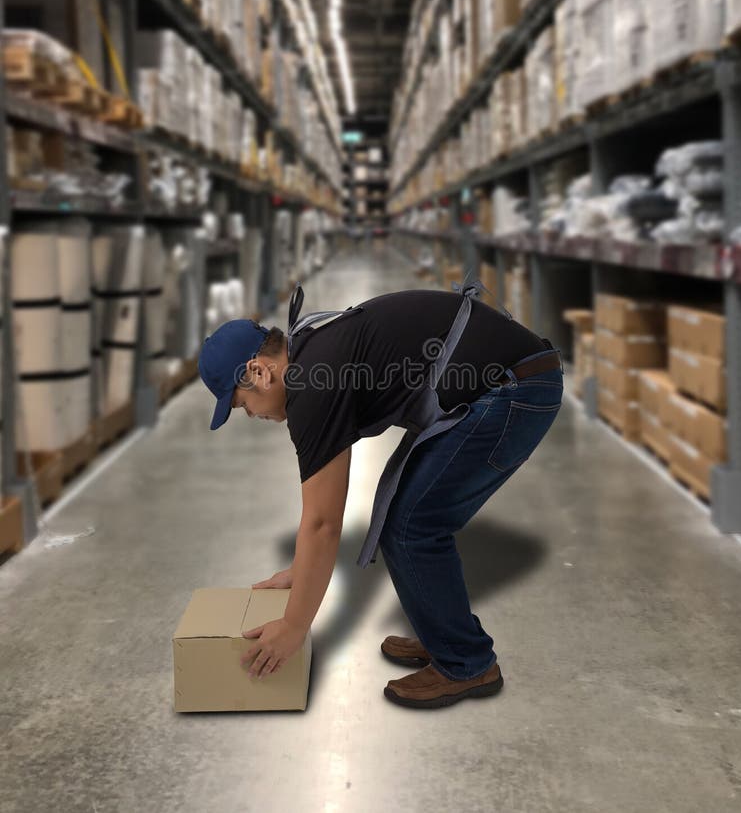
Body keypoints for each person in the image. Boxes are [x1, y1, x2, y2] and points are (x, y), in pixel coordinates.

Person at [198, 281, 563, 709]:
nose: (252, 415)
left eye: (241, 405)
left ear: (258, 372)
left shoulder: (312, 384)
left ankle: (467, 663)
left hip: (516, 389)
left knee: (413, 525)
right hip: (510, 379)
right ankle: (447, 636)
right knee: (403, 519)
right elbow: (322, 512)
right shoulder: (313, 353)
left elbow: (323, 523)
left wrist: (293, 626)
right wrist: (302, 568)